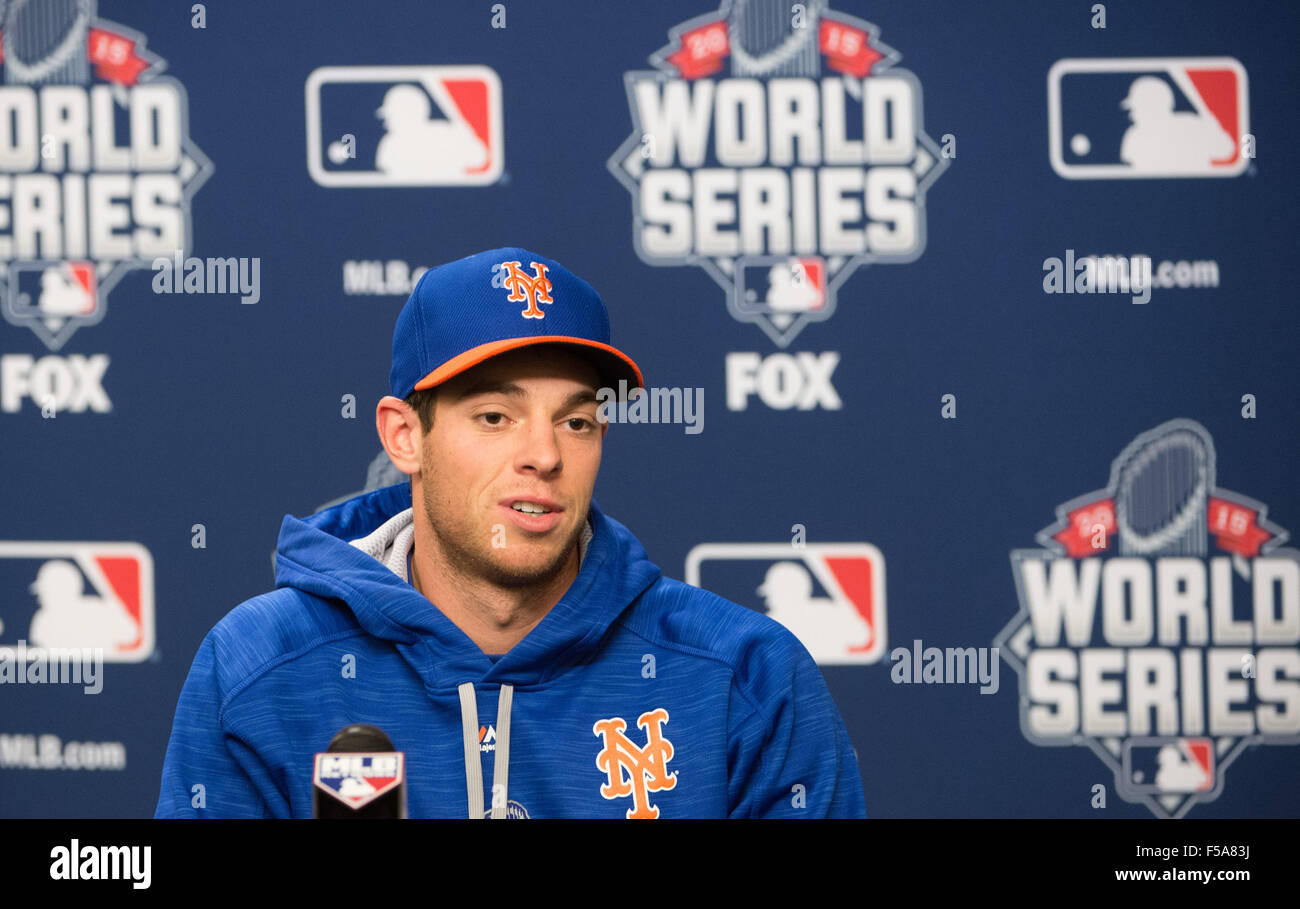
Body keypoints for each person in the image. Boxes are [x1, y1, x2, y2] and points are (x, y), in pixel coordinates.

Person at [155, 247, 866, 818]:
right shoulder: (259, 669)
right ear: (405, 437)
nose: (545, 455)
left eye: (576, 420)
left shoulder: (745, 677)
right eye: (495, 416)